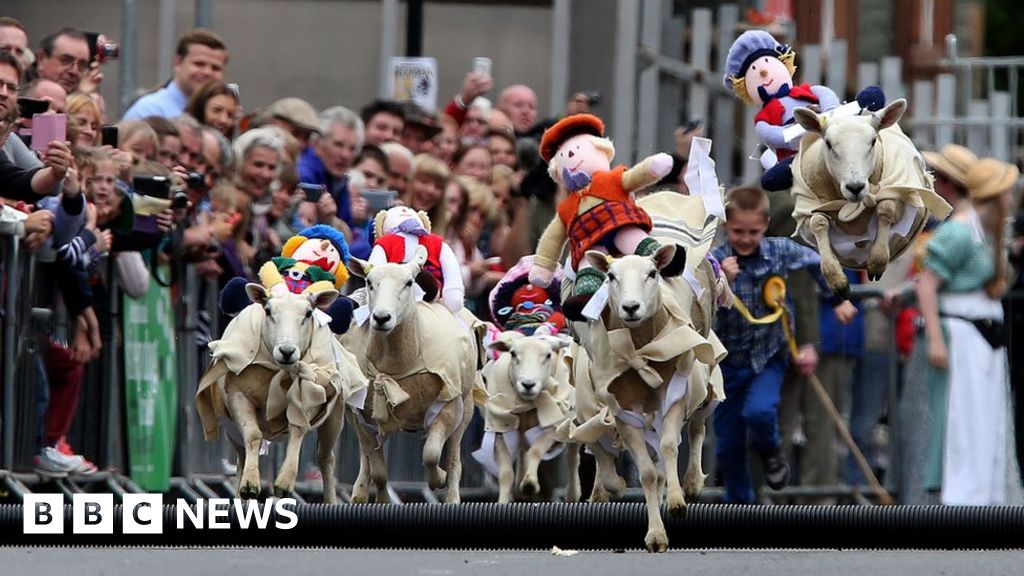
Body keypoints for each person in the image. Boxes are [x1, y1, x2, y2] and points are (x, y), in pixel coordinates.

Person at [712, 186, 856, 504]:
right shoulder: (718, 262)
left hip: (768, 357)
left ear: (765, 225)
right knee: (728, 443)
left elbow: (818, 263)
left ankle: (773, 454)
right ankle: (740, 508)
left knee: (761, 412)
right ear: (726, 227)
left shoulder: (778, 250)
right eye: (738, 231)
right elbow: (701, 303)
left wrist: (838, 299)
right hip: (728, 364)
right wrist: (723, 283)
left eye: (753, 231)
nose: (746, 239)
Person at [905, 158, 1021, 506]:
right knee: (962, 417)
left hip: (982, 338)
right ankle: (961, 496)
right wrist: (937, 338)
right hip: (963, 337)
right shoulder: (959, 231)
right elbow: (927, 285)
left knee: (983, 416)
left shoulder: (983, 232)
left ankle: (983, 495)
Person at [122, 29, 227, 120]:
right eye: (199, 64)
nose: (207, 72)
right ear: (178, 62)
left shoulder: (222, 118)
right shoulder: (150, 111)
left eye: (216, 68)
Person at [298, 105, 362, 227]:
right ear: (317, 143)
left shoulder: (340, 181)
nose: (345, 155)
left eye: (352, 148)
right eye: (338, 145)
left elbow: (348, 231)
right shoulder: (303, 176)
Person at [34, 28, 90, 94]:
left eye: (82, 65)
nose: (74, 72)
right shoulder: (19, 97)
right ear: (41, 58)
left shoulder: (85, 101)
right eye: (66, 60)